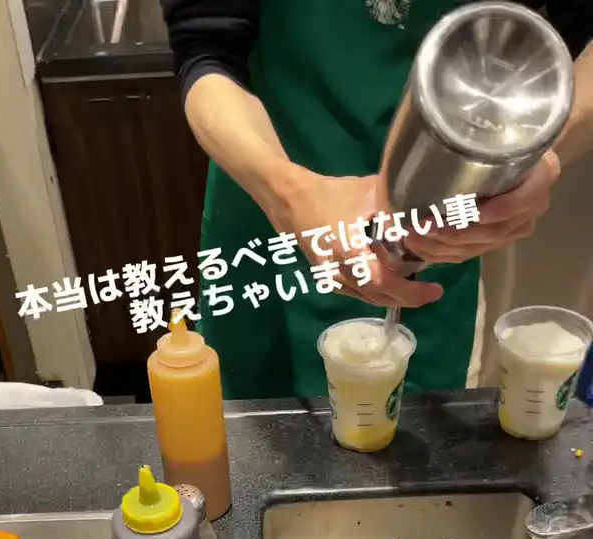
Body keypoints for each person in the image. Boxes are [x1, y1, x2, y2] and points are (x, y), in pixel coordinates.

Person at [163, 1, 593, 399]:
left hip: (441, 220)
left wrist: (530, 154)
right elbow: (206, 52)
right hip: (267, 193)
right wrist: (287, 193)